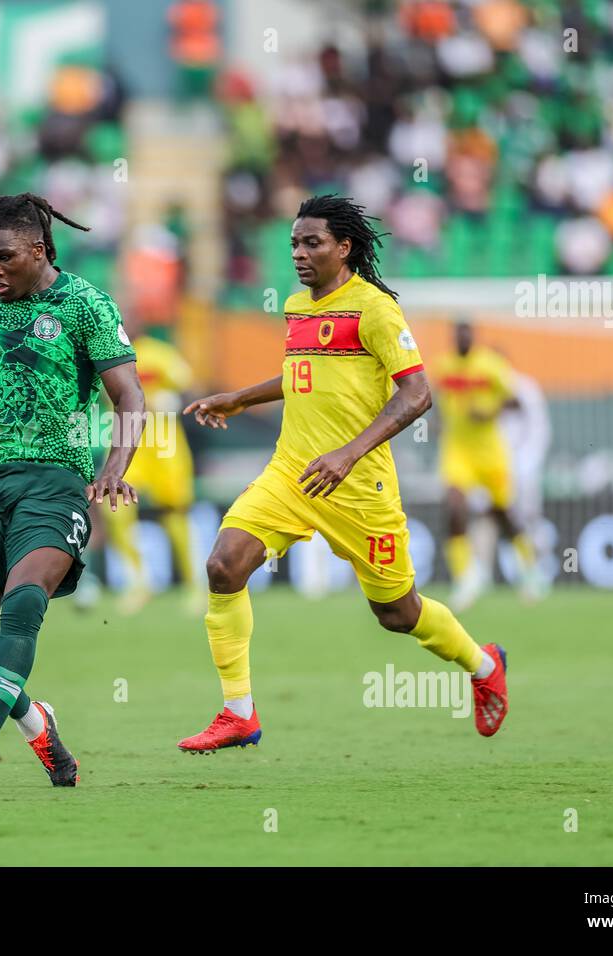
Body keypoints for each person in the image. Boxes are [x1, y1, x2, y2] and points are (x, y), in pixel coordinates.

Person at [179, 195, 509, 751]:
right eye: (294, 244)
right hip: (292, 472)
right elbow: (301, 374)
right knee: (223, 565)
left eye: (312, 243)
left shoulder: (375, 310)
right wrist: (240, 397)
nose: (299, 254)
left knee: (398, 614)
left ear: (344, 247)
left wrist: (348, 454)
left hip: (358, 486)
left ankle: (484, 664)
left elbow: (418, 394)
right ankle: (239, 713)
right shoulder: (297, 306)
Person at [0, 193, 145, 793]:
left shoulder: (85, 303)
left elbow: (129, 395)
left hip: (55, 482)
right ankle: (34, 721)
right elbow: (8, 381)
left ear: (40, 250)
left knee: (23, 605)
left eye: (4, 257)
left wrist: (115, 466)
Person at [435, 320, 543, 610]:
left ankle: (530, 570)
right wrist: (437, 424)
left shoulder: (490, 365)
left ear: (473, 337)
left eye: (466, 334)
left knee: (502, 513)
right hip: (457, 450)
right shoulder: (444, 366)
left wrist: (488, 412)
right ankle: (465, 578)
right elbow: (441, 403)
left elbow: (515, 402)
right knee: (454, 506)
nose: (462, 339)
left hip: (490, 452)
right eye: (458, 334)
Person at [101, 326, 203, 614]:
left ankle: (194, 585)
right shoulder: (103, 353)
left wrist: (172, 399)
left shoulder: (160, 354)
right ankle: (137, 582)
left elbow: (189, 387)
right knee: (114, 508)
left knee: (174, 513)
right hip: (127, 443)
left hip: (164, 445)